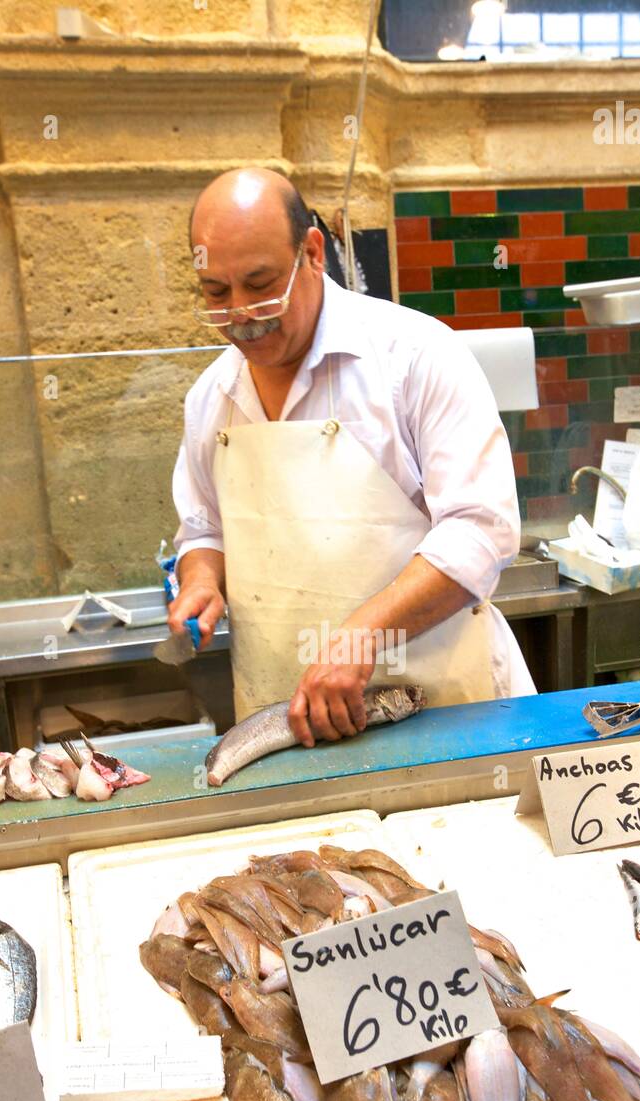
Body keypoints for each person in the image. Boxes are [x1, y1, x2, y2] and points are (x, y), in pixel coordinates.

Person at [169, 167, 535, 748]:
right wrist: (201, 579)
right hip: (285, 726)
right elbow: (202, 528)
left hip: (447, 714)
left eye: (260, 283)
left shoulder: (415, 356)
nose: (240, 313)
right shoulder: (210, 399)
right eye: (216, 292)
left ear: (312, 252)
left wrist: (361, 635)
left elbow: (481, 532)